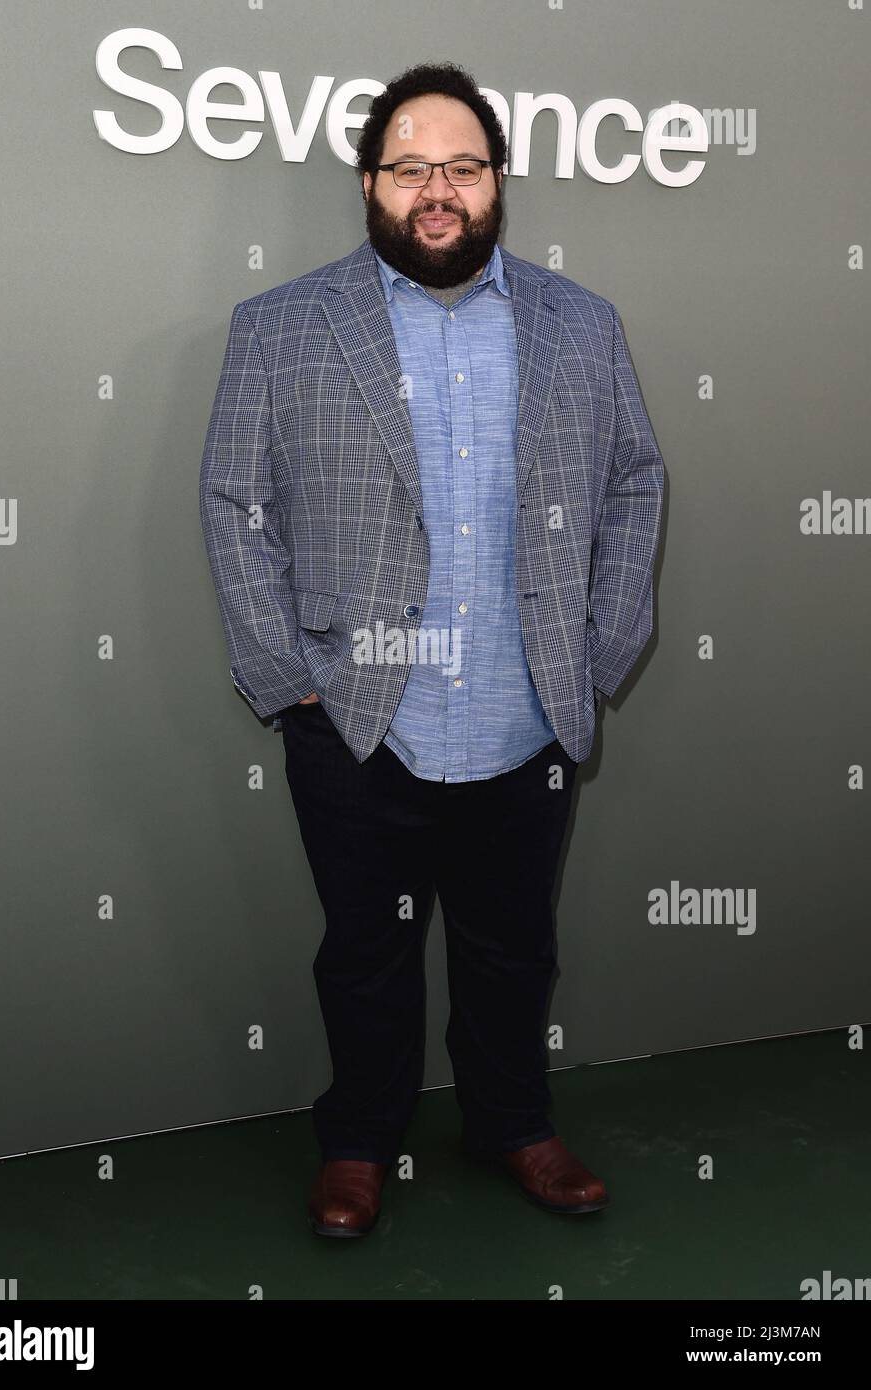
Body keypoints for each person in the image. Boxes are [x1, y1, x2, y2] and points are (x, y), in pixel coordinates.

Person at [199, 60, 665, 1238]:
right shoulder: (280, 326)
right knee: (363, 956)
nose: (437, 190)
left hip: (527, 716)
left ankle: (513, 1121)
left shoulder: (581, 325)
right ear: (370, 182)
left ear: (497, 181)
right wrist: (283, 677)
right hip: (355, 716)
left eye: (461, 166)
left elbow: (633, 488)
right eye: (411, 168)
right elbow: (233, 505)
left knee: (515, 951)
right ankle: (357, 1141)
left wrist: (599, 657)